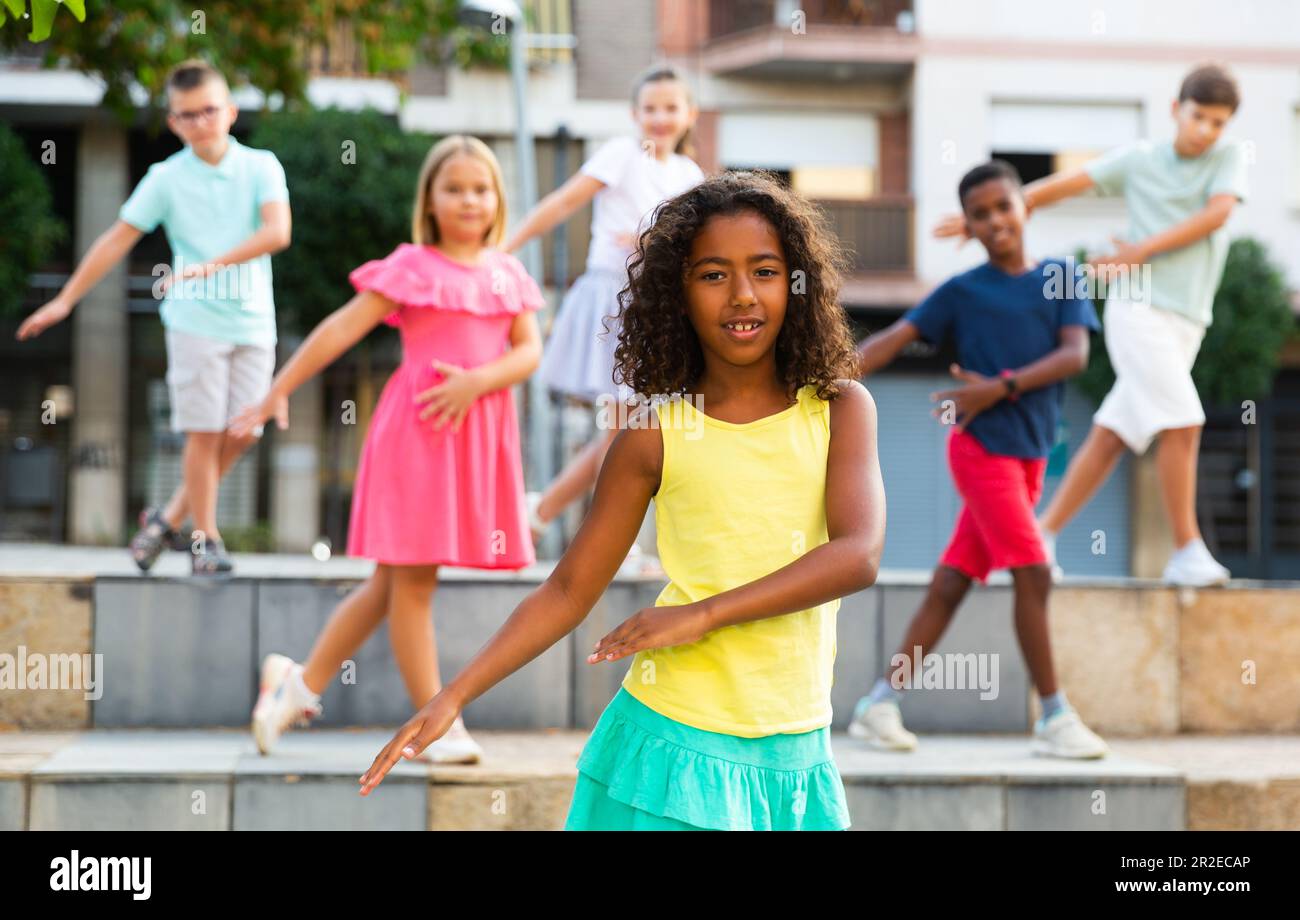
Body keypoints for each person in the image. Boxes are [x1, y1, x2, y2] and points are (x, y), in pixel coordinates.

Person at [358, 171, 885, 831]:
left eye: (766, 271)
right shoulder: (653, 433)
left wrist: (702, 615)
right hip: (673, 746)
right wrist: (452, 696)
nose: (743, 296)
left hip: (798, 753)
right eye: (714, 275)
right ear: (678, 293)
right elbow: (568, 589)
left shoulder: (840, 409)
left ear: (796, 282)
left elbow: (858, 554)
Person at [230, 136, 544, 764]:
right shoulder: (411, 266)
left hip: (472, 439)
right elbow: (339, 329)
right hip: (418, 438)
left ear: (497, 199)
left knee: (391, 583)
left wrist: (477, 382)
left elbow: (528, 350)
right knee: (413, 585)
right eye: (453, 188)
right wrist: (275, 391)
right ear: (429, 198)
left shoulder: (508, 272)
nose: (468, 200)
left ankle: (298, 683)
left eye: (480, 189)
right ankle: (437, 725)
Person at [937, 64, 1248, 587]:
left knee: (1112, 435)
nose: (1206, 131)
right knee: (1184, 422)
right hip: (1139, 312)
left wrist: (1141, 250)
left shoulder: (1227, 159)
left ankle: (1044, 535)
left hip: (1187, 321)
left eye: (1218, 123)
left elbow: (1217, 215)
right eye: (1198, 118)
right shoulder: (1142, 160)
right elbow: (1058, 187)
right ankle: (1186, 549)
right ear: (1176, 110)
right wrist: (990, 217)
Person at [852, 160, 1109, 760]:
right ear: (967, 225)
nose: (995, 220)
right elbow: (891, 339)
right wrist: (820, 375)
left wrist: (999, 387)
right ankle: (1054, 716)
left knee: (951, 582)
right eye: (980, 214)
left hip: (1030, 457)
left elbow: (1075, 356)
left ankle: (878, 703)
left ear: (1025, 208)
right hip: (980, 452)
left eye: (1003, 207)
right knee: (1034, 571)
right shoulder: (963, 292)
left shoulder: (1061, 277)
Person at [17, 59, 292, 576]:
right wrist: (66, 300)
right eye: (187, 115)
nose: (200, 122)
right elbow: (116, 238)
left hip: (254, 320)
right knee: (204, 433)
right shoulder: (164, 178)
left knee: (244, 432)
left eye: (209, 110)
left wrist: (207, 266)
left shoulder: (262, 166)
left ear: (230, 111)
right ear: (172, 122)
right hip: (193, 321)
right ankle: (204, 540)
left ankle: (164, 521)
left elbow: (277, 233)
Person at [501, 65, 703, 563]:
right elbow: (565, 201)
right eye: (650, 108)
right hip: (612, 301)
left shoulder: (690, 176)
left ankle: (543, 511)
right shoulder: (620, 154)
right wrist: (507, 246)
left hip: (657, 309)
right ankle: (606, 540)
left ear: (689, 115)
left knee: (625, 431)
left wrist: (654, 244)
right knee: (623, 431)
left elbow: (691, 246)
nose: (659, 117)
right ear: (635, 114)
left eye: (670, 107)